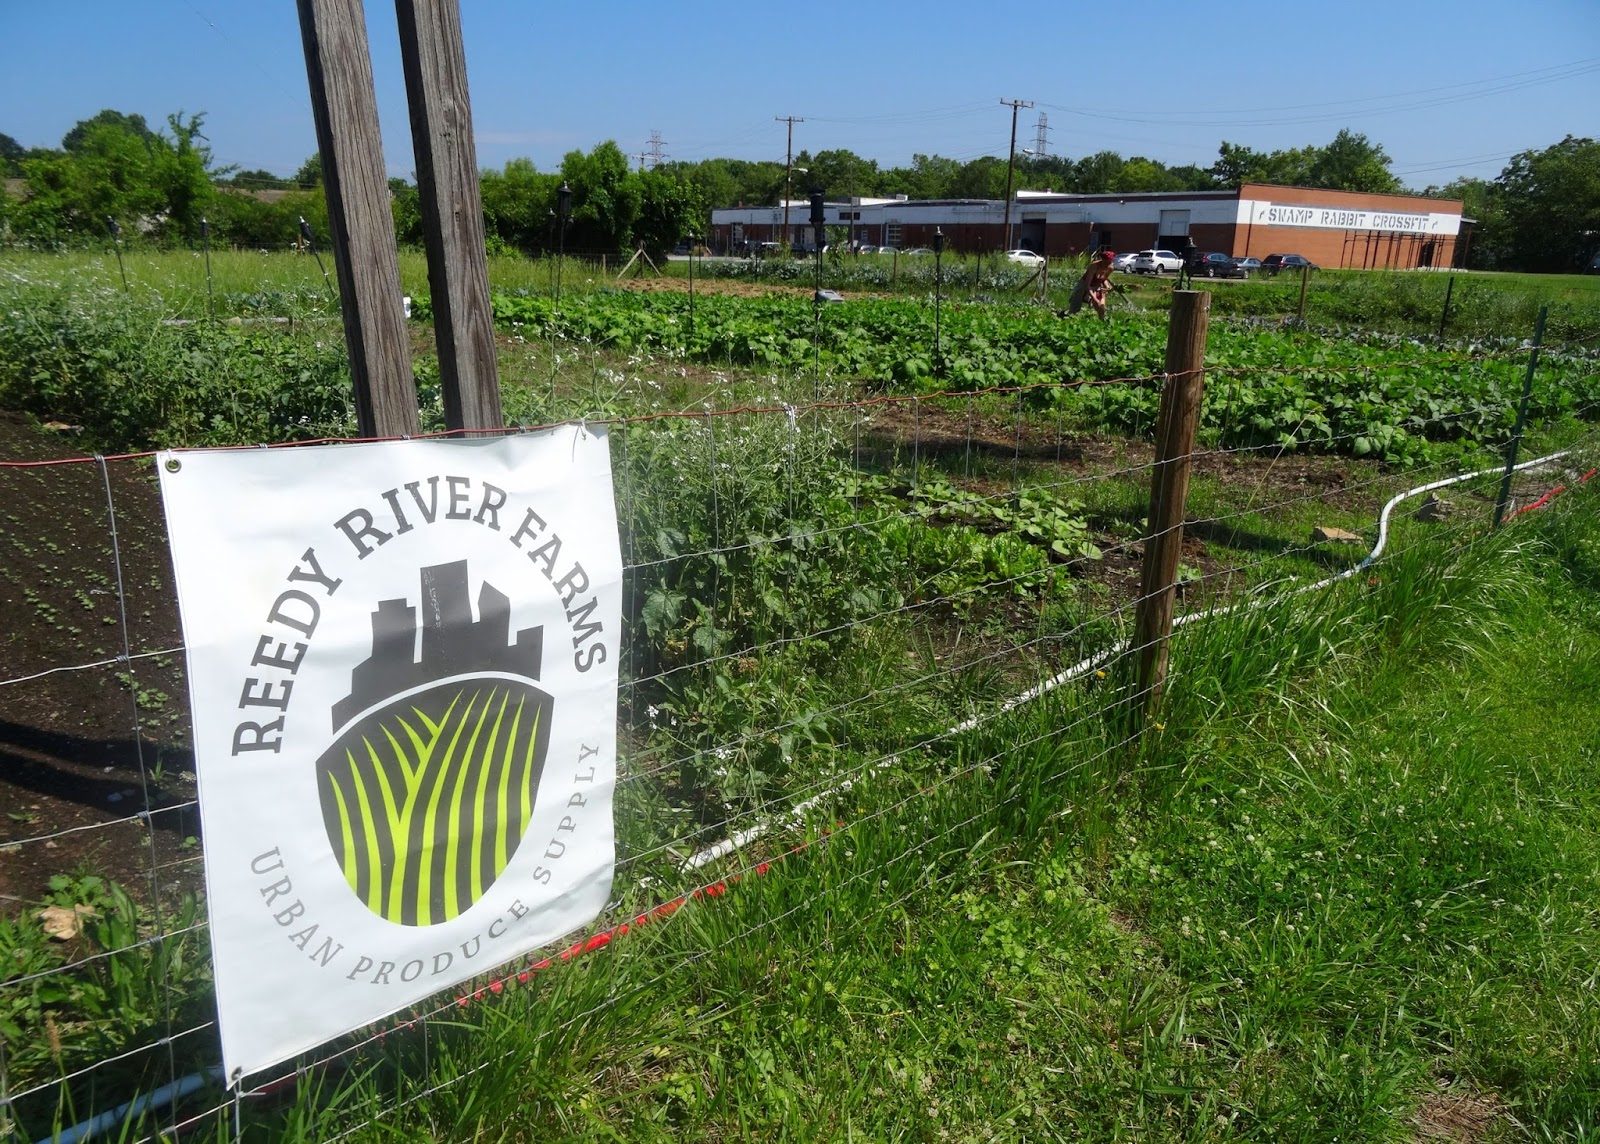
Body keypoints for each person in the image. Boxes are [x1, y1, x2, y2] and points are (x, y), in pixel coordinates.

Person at [1068, 249, 1116, 319]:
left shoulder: (1110, 268)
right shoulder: (1094, 266)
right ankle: (1071, 318)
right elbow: (1087, 286)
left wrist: (1107, 286)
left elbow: (1104, 279)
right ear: (1102, 260)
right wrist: (1095, 299)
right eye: (1106, 262)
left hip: (1097, 286)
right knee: (1076, 303)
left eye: (1109, 262)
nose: (1107, 264)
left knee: (1101, 306)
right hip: (1085, 284)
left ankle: (1102, 322)